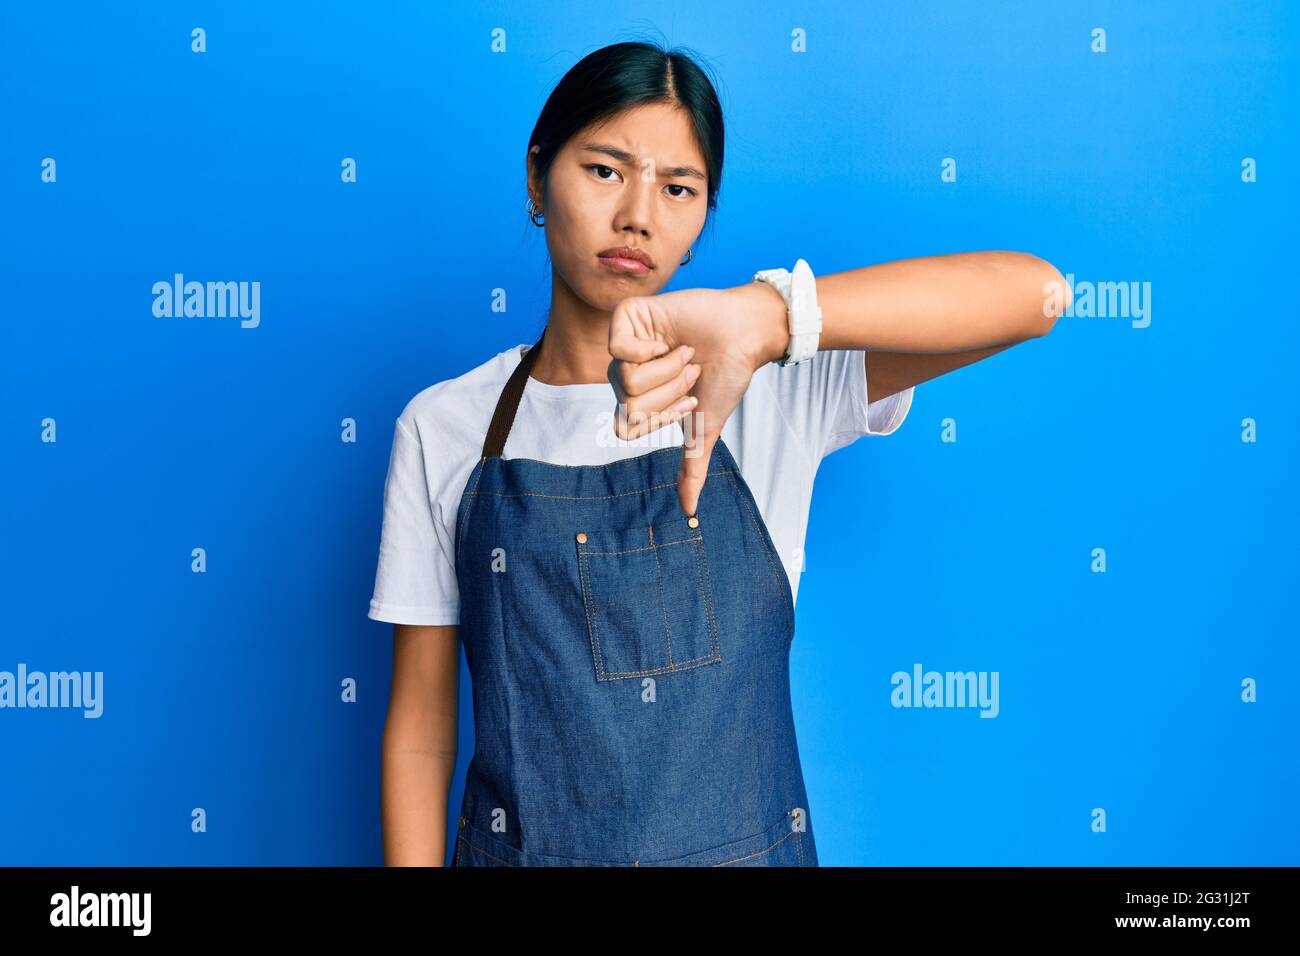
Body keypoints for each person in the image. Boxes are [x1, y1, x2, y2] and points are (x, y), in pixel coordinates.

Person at [369, 39, 1069, 867]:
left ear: (703, 217)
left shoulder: (771, 390)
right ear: (535, 177)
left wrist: (771, 318)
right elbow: (419, 733)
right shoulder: (444, 424)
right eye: (604, 170)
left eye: (678, 188)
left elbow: (1037, 295)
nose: (638, 214)